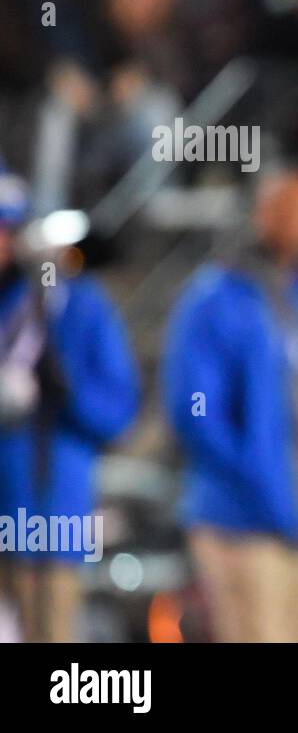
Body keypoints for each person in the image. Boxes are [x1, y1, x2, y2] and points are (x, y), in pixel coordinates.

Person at [162, 165, 298, 642]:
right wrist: (261, 486)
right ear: (258, 214)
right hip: (242, 525)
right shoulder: (214, 298)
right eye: (283, 206)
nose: (296, 220)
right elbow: (194, 413)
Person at [0, 169, 139, 641]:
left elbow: (119, 407)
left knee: (51, 633)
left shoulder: (76, 305)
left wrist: (67, 395)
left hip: (52, 507)